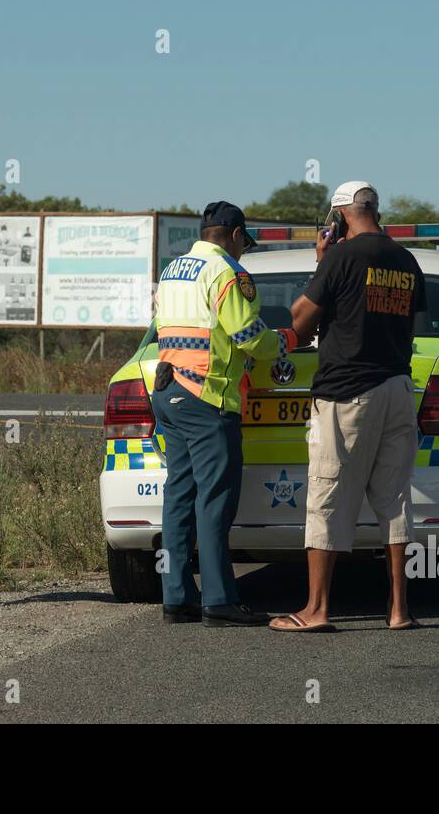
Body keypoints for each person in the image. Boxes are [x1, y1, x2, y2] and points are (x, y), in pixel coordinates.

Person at [269, 181, 425, 633]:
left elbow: (300, 318)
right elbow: (410, 329)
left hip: (346, 393)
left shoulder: (339, 257)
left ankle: (316, 610)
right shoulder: (406, 260)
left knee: (327, 497)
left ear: (339, 217)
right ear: (375, 210)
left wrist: (321, 263)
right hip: (397, 387)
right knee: (395, 502)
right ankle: (399, 611)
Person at [152, 201, 299, 627]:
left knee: (179, 497)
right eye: (243, 243)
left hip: (169, 389)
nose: (243, 252)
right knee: (215, 501)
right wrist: (286, 341)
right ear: (234, 234)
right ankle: (219, 600)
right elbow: (248, 335)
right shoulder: (225, 273)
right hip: (207, 396)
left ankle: (177, 598)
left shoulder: (173, 269)